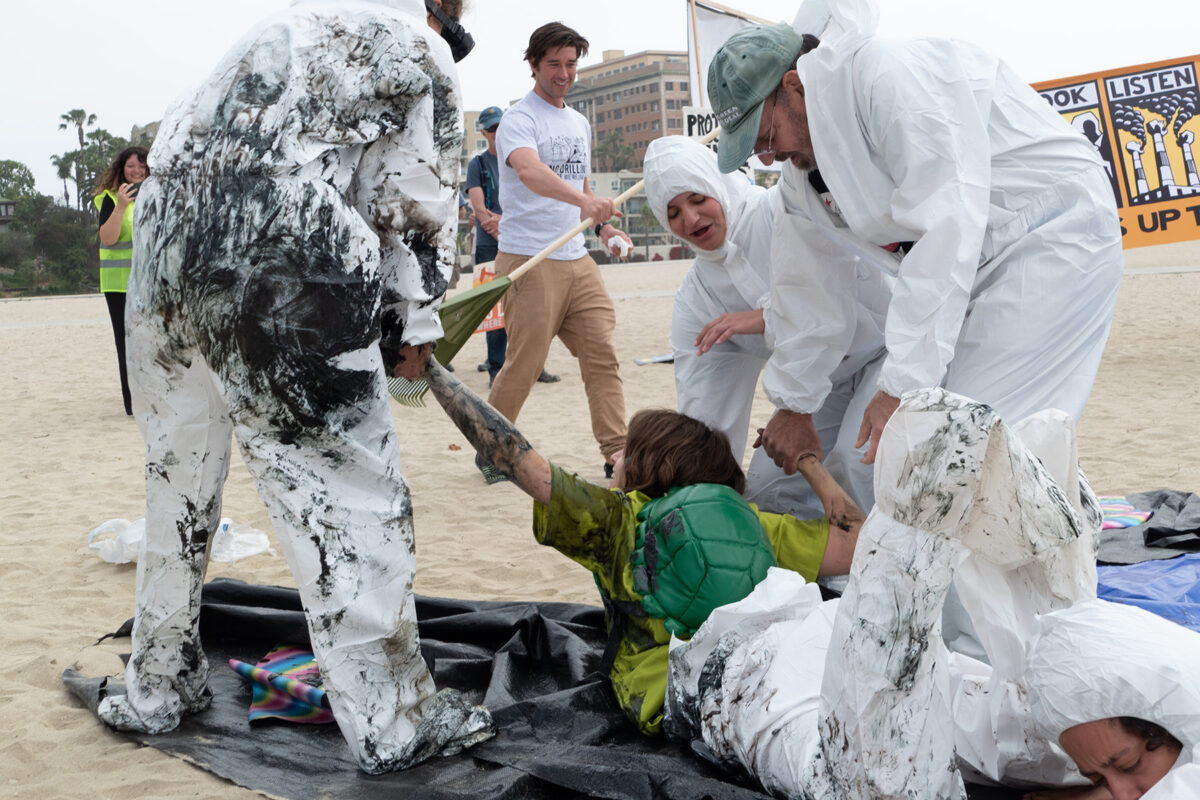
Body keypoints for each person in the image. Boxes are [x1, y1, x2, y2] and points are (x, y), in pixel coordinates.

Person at [95, 0, 494, 774]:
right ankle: (394, 723)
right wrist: (414, 323)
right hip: (277, 239)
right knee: (348, 491)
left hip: (167, 240)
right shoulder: (422, 48)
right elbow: (414, 201)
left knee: (175, 482)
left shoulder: (283, 32)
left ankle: (156, 685)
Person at [706, 0, 1123, 478]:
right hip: (970, 271)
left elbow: (946, 228)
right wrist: (796, 404)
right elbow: (808, 294)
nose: (767, 159)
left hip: (1052, 233)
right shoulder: (801, 185)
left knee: (984, 442)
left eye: (766, 136)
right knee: (951, 449)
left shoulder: (888, 80)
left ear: (795, 86)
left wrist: (900, 387)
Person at [422, 357, 861, 737]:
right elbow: (858, 542)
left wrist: (432, 372)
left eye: (625, 454)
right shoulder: (750, 522)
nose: (615, 461)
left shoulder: (619, 522)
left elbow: (516, 459)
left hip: (674, 701)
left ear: (647, 467)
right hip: (781, 668)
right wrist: (807, 462)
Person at [642, 135, 892, 518]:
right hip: (822, 387)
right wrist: (686, 475)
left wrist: (758, 320)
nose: (691, 219)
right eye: (673, 212)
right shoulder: (698, 296)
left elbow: (828, 302)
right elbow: (705, 407)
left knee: (857, 460)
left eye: (697, 199)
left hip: (885, 355)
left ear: (717, 184)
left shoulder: (782, 208)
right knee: (769, 492)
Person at [486, 22, 633, 481]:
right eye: (554, 64)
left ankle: (618, 452)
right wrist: (584, 203)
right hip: (530, 259)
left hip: (576, 258)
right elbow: (529, 171)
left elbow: (582, 185)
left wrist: (603, 226)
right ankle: (490, 447)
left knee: (602, 353)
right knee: (524, 365)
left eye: (571, 64)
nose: (564, 73)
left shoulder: (579, 121)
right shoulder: (518, 119)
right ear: (533, 64)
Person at [465, 105, 558, 388]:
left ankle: (535, 366)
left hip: (524, 241)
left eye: (500, 126)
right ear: (483, 132)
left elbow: (533, 200)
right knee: (493, 313)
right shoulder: (477, 164)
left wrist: (504, 222)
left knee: (534, 306)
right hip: (487, 245)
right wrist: (503, 225)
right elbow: (480, 210)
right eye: (491, 129)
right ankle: (496, 367)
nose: (497, 133)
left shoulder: (522, 158)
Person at [93, 145, 149, 416]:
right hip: (120, 285)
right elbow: (108, 238)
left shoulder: (157, 196)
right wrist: (122, 206)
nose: (137, 171)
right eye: (131, 166)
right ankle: (133, 403)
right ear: (121, 170)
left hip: (152, 283)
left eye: (142, 166)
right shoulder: (110, 198)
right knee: (127, 343)